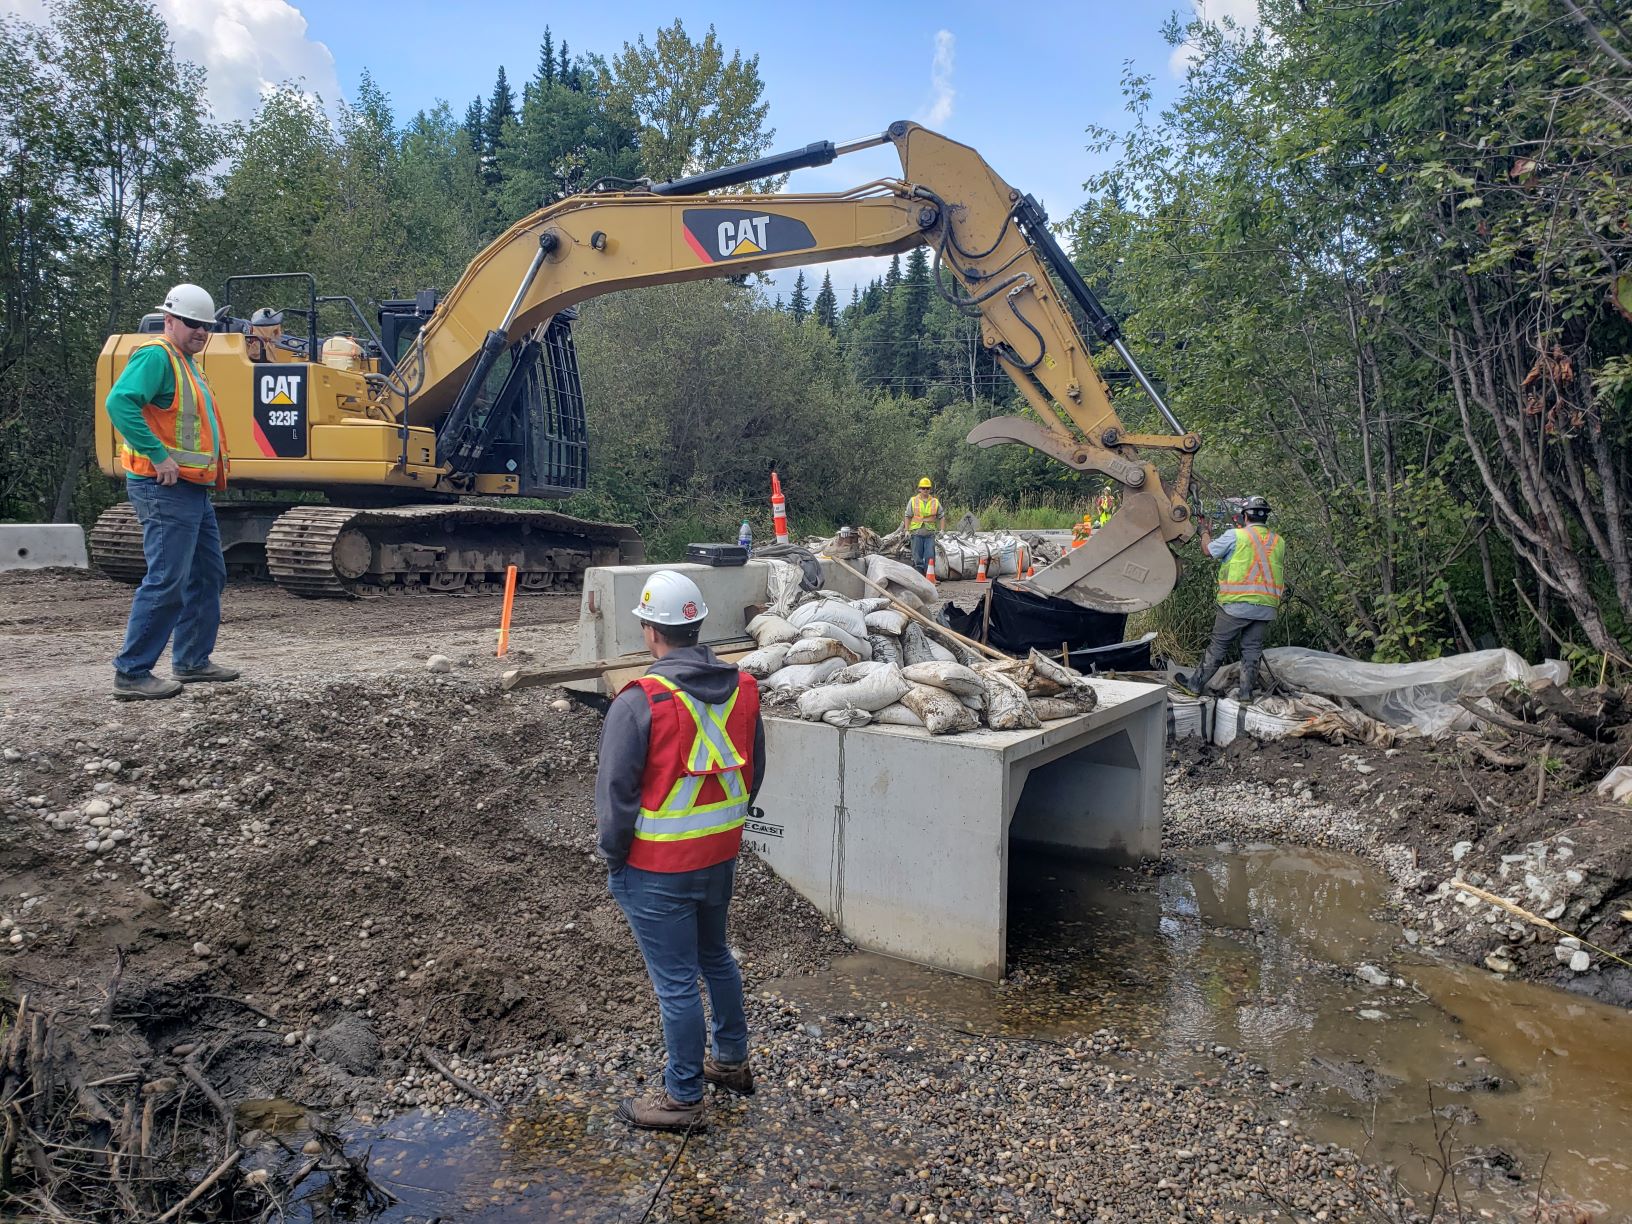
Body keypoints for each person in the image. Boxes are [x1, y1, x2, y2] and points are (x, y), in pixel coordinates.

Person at [595, 570, 767, 1132]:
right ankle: (732, 1060)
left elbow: (616, 797)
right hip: (720, 855)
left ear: (650, 632)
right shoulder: (742, 687)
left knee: (674, 983)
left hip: (656, 867)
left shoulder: (639, 701)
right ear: (697, 624)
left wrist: (613, 857)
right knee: (714, 956)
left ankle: (684, 1097)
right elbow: (753, 770)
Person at [107, 283, 237, 700]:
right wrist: (158, 455)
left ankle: (192, 660)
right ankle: (132, 671)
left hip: (193, 491)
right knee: (167, 580)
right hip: (164, 487)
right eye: (193, 323)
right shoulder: (156, 356)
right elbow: (119, 403)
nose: (200, 331)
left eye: (206, 326)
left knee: (208, 574)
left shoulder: (188, 364)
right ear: (170, 320)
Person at [1184, 495, 1285, 702]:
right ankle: (1246, 694)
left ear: (1244, 516)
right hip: (1266, 606)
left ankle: (1194, 685)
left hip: (1236, 604)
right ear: (1266, 517)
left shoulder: (1236, 536)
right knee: (1252, 650)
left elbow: (1208, 550)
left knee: (1218, 646)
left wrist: (1204, 532)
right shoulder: (1278, 541)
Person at [901, 477, 945, 576]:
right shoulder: (913, 501)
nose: (925, 490)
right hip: (916, 534)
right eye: (923, 488)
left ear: (930, 489)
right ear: (919, 489)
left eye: (927, 488)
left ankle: (930, 577)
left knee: (930, 556)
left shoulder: (935, 501)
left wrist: (942, 530)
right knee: (917, 557)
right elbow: (907, 516)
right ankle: (919, 577)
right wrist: (907, 530)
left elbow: (941, 516)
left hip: (930, 534)